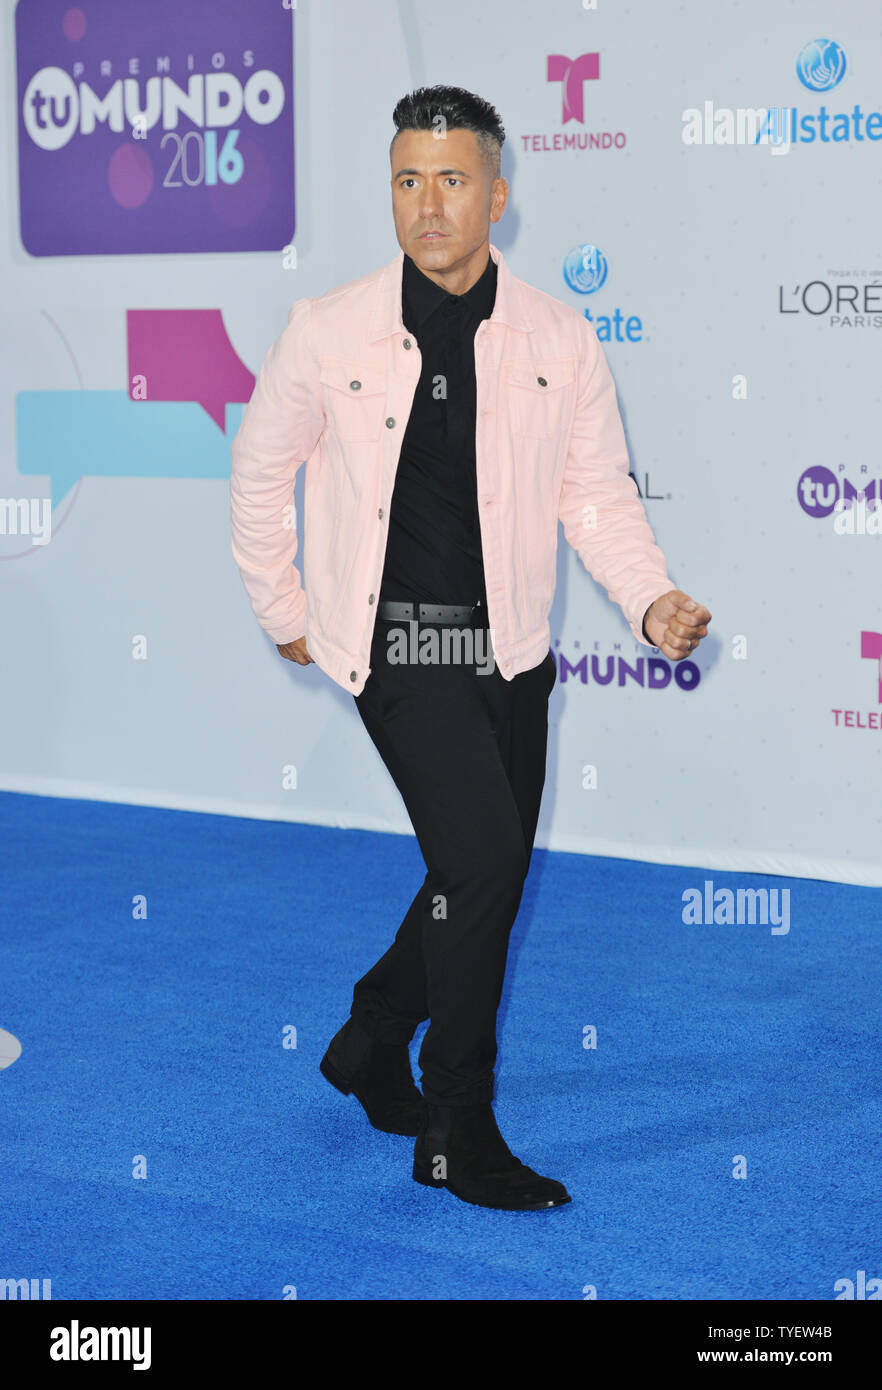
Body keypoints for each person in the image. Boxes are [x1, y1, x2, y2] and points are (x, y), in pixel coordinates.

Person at [230, 85, 712, 1212]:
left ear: (497, 196)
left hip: (516, 655)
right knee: (486, 863)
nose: (429, 204)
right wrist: (282, 607)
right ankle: (457, 1123)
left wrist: (648, 600)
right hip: (397, 649)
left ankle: (370, 1035)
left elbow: (595, 495)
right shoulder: (327, 329)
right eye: (408, 180)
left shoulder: (557, 336)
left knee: (474, 868)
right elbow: (260, 474)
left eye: (452, 180)